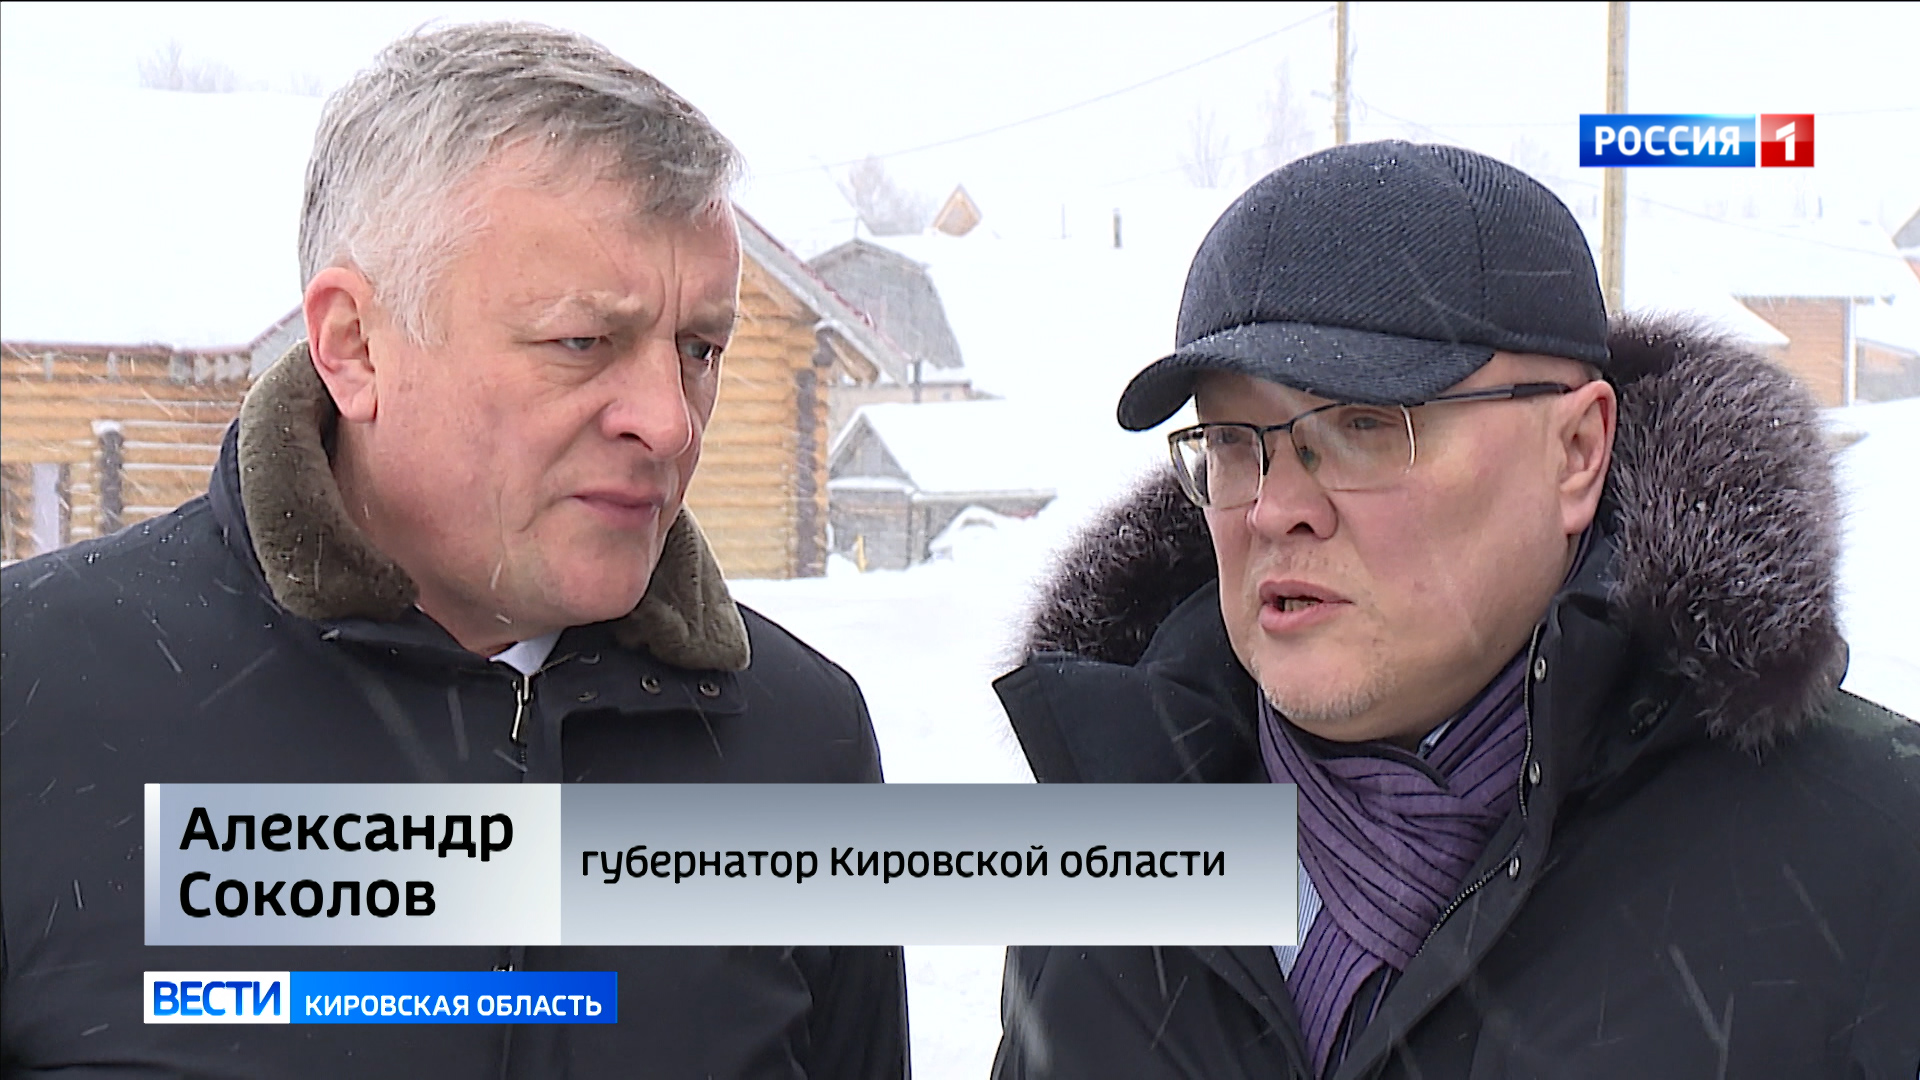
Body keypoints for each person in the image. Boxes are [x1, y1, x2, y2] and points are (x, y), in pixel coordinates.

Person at [0, 23, 907, 1078]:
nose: (668, 422)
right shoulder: (36, 694)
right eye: (582, 341)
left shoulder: (800, 742)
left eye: (698, 348)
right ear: (354, 346)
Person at [990, 141, 1919, 1079]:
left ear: (1576, 452)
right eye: (1234, 441)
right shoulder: (1107, 844)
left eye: (1362, 426)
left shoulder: (1873, 861)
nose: (1273, 508)